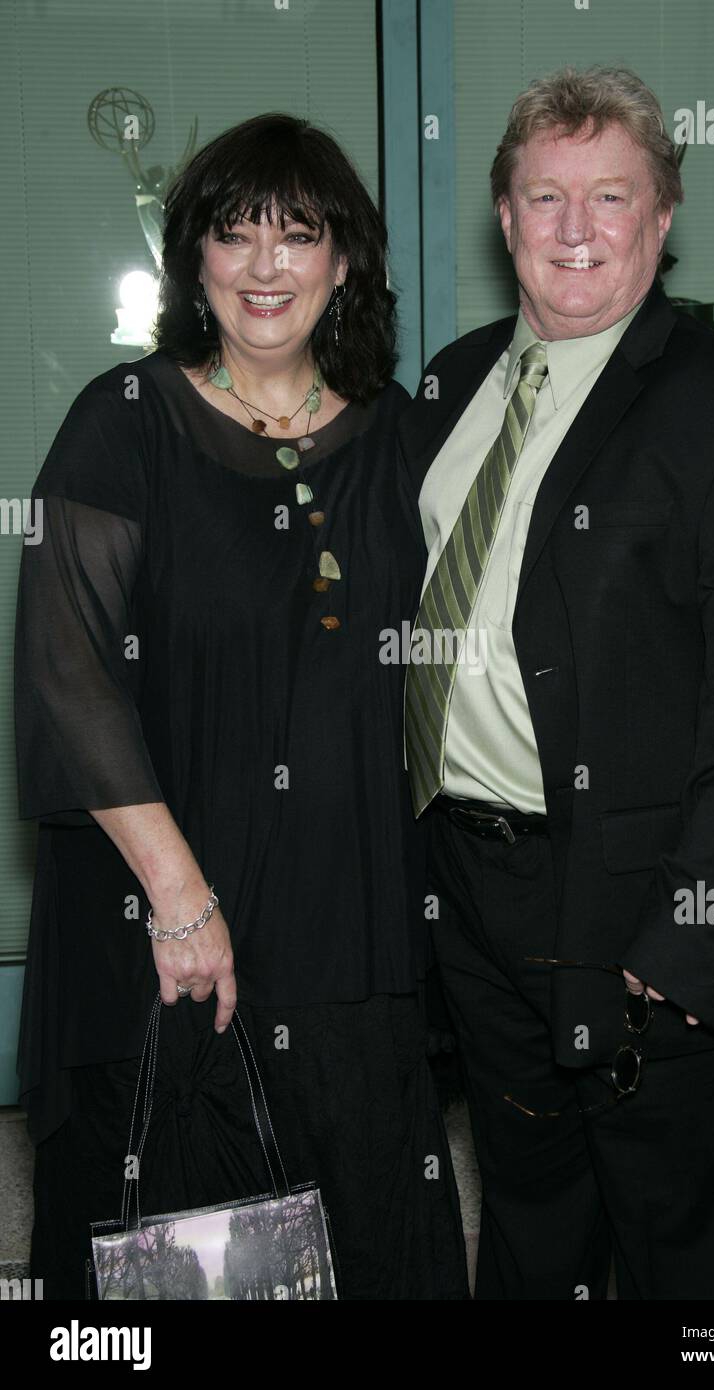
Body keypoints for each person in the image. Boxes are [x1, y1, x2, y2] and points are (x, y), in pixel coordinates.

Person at [399, 65, 714, 1300]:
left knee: (674, 1250)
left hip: (639, 905)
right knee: (533, 1218)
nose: (575, 229)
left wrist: (683, 941)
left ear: (662, 215)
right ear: (502, 217)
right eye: (543, 197)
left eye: (611, 196)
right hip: (473, 886)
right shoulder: (446, 388)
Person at [15, 112, 469, 1301]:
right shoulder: (124, 425)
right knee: (168, 1253)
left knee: (364, 1224)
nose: (266, 265)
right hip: (165, 926)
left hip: (349, 922)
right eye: (235, 233)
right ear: (194, 258)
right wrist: (178, 899)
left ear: (345, 262)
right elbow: (69, 677)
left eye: (298, 234)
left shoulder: (406, 440)